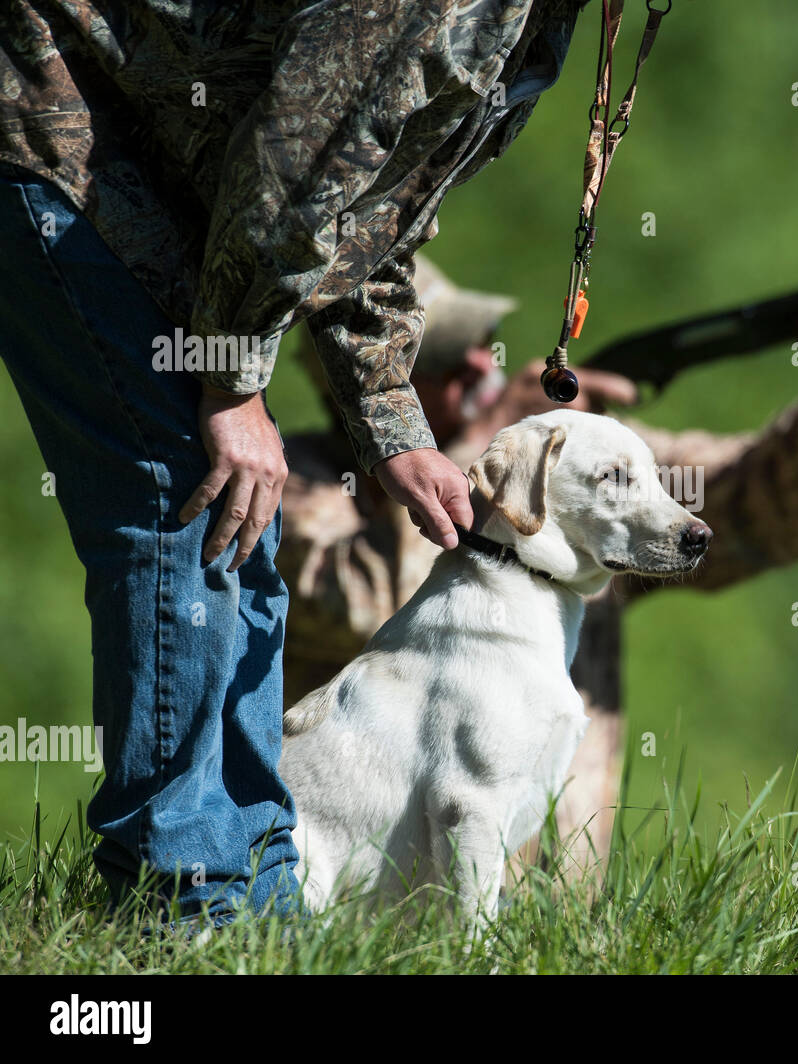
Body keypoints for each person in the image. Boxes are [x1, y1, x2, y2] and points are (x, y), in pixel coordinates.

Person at [0, 0, 587, 926]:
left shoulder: (540, 20)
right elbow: (293, 166)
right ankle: (187, 909)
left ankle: (258, 897)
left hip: (170, 172)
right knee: (190, 499)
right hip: (50, 118)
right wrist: (232, 385)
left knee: (235, 517)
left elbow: (368, 209)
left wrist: (393, 420)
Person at [279, 257, 798, 871]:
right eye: (443, 356)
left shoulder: (585, 465)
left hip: (557, 904)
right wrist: (502, 458)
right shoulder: (295, 487)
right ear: (359, 378)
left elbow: (755, 509)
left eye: (487, 340)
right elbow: (379, 606)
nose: (484, 364)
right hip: (378, 903)